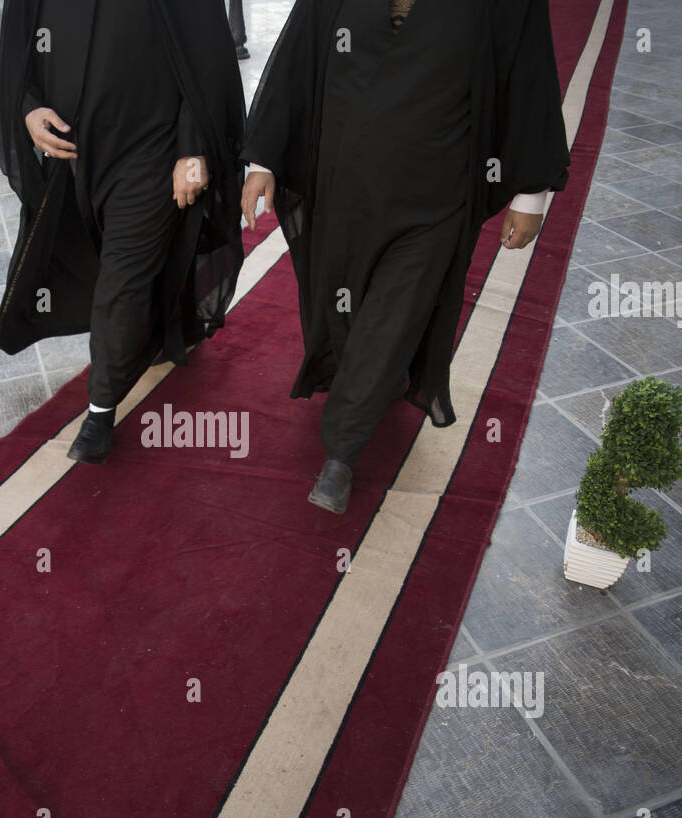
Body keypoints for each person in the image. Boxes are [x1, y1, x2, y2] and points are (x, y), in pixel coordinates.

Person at [241, 0, 570, 513]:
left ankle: (341, 454)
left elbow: (527, 74)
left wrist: (532, 195)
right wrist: (263, 159)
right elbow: (299, 54)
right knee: (345, 310)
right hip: (343, 187)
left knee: (396, 313)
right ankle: (372, 383)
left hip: (436, 193)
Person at [0, 0, 246, 465]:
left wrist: (193, 149)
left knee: (122, 277)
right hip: (72, 154)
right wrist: (26, 109)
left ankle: (100, 411)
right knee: (99, 262)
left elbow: (203, 51)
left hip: (152, 146)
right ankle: (166, 328)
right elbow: (19, 46)